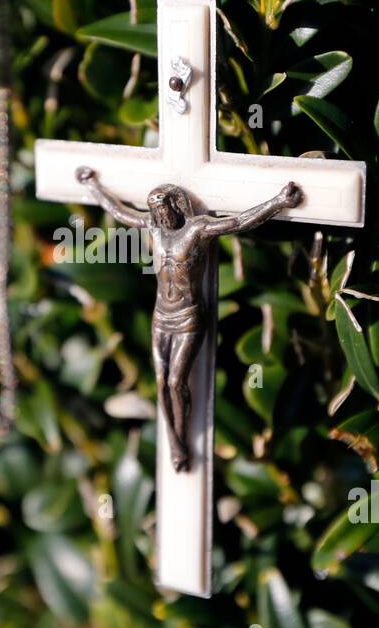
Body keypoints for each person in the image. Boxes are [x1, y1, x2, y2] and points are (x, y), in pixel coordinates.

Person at [75, 167, 302, 471]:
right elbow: (119, 211)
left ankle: (180, 442)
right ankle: (176, 444)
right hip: (161, 317)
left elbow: (238, 222)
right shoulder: (153, 228)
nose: (161, 214)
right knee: (159, 381)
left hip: (188, 317)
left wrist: (278, 202)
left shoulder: (197, 230)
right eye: (155, 209)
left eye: (164, 207)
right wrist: (92, 187)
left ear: (176, 205)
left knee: (175, 380)